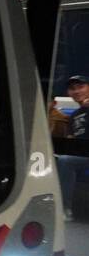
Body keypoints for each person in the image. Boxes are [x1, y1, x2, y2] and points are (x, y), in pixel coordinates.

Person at [51, 75, 89, 221]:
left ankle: (63, 208)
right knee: (54, 158)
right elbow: (71, 139)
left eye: (81, 87)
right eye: (73, 89)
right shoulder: (74, 116)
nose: (77, 91)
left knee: (66, 161)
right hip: (82, 153)